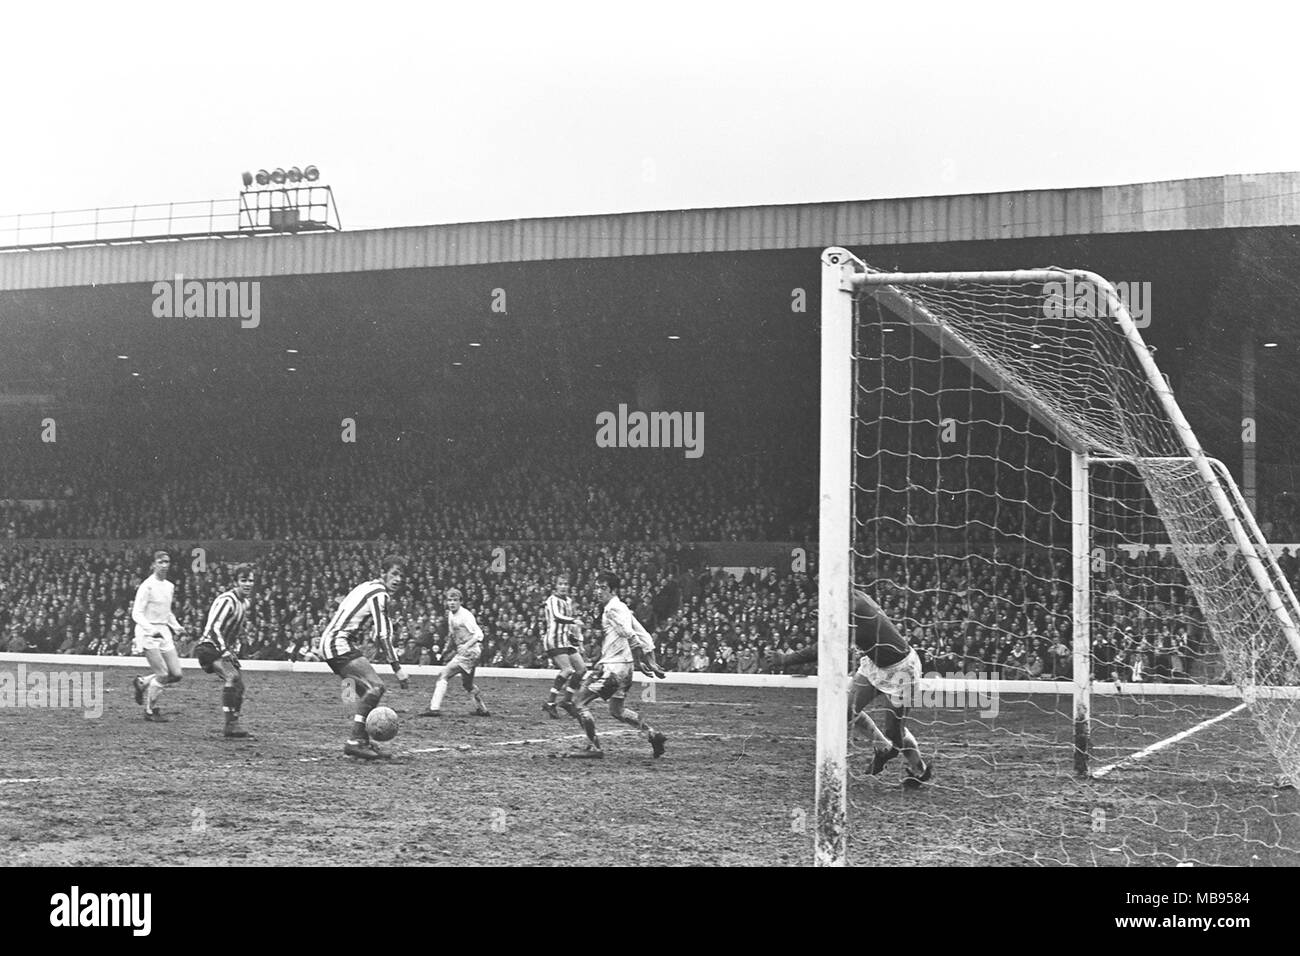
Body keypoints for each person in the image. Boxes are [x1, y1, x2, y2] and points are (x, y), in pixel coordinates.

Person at [771, 588, 932, 786]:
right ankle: (882, 747)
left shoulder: (857, 615)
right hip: (874, 665)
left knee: (895, 733)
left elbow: (824, 647)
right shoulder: (855, 596)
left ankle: (919, 769)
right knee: (846, 710)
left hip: (901, 671)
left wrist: (786, 659)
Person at [317, 555, 411, 760]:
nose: (398, 579)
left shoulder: (367, 586)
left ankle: (362, 740)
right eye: (394, 574)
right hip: (338, 643)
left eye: (401, 576)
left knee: (366, 694)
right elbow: (383, 634)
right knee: (376, 687)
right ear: (383, 573)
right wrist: (397, 668)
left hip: (333, 641)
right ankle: (354, 741)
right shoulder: (380, 594)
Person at [568, 572, 668, 758]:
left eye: (603, 588)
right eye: (597, 587)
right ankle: (653, 734)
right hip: (625, 669)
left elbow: (630, 635)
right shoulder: (622, 608)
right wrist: (649, 660)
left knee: (578, 702)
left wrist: (643, 661)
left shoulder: (612, 609)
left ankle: (595, 748)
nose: (598, 591)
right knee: (617, 710)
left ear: (612, 590)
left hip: (612, 669)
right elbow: (643, 634)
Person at [194, 564, 255, 738]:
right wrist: (225, 650)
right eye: (243, 580)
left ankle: (233, 722)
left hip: (221, 648)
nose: (247, 584)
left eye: (251, 580)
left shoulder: (244, 603)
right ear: (236, 582)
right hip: (209, 647)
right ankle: (230, 725)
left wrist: (231, 650)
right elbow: (214, 627)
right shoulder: (226, 600)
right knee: (232, 677)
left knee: (239, 686)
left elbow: (234, 631)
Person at [130, 551, 186, 723]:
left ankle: (143, 682)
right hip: (148, 632)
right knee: (162, 674)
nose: (165, 565)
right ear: (154, 564)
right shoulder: (146, 586)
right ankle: (150, 710)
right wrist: (150, 629)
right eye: (161, 562)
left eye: (167, 562)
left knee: (176, 674)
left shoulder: (169, 586)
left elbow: (167, 612)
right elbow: (137, 613)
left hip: (163, 631)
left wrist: (177, 627)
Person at [418, 588, 491, 717]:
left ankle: (434, 708)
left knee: (443, 675)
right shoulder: (451, 614)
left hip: (469, 652)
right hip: (470, 653)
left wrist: (466, 646)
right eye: (449, 600)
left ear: (460, 602)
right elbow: (453, 634)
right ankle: (482, 709)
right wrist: (447, 649)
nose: (452, 603)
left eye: (455, 600)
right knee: (467, 684)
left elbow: (479, 634)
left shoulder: (466, 616)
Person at [540, 574, 587, 719]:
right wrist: (574, 620)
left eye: (566, 584)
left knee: (581, 670)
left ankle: (566, 700)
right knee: (567, 670)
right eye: (560, 584)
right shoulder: (552, 600)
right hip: (554, 639)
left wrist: (579, 641)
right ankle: (550, 703)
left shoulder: (568, 600)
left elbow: (569, 625)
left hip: (565, 640)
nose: (563, 586)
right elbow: (556, 616)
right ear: (556, 586)